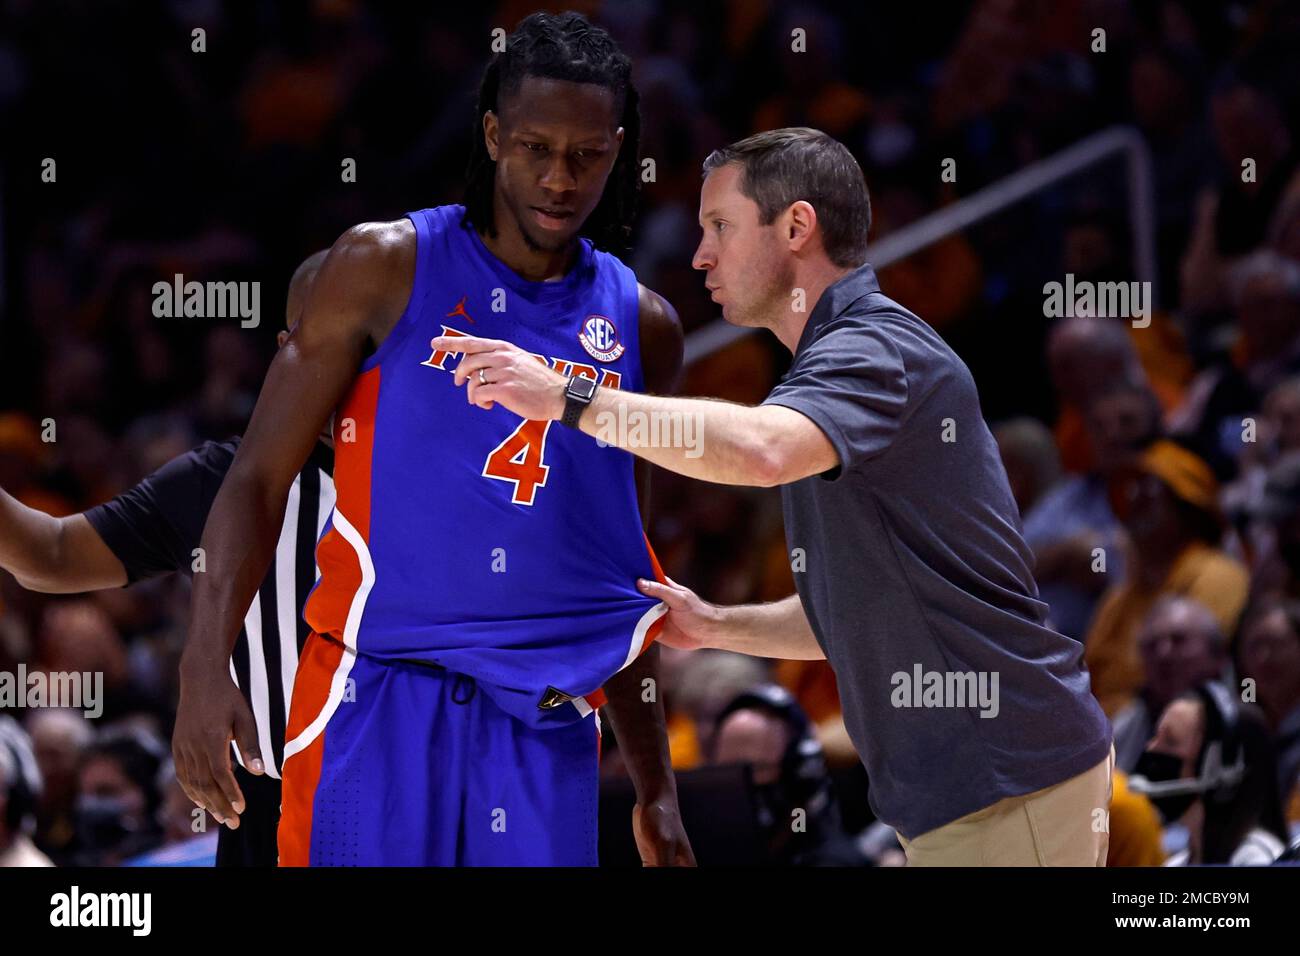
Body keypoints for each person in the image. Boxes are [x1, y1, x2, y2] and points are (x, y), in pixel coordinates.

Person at [436, 126, 1114, 866]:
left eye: (720, 226)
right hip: (982, 789)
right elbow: (856, 606)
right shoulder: (835, 366)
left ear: (796, 227)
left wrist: (566, 395)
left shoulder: (872, 348)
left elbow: (759, 451)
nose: (700, 255)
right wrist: (715, 624)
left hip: (1007, 777)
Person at [177, 11, 692, 867]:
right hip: (373, 695)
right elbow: (258, 480)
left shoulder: (644, 326)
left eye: (587, 154)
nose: (560, 178)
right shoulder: (381, 267)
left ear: (619, 149)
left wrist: (657, 789)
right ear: (493, 135)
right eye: (535, 147)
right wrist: (202, 672)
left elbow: (624, 574)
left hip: (544, 718)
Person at [0, 251, 334, 866]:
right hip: (266, 820)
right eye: (326, 336)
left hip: (404, 806)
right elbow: (49, 552)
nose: (343, 360)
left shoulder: (441, 477)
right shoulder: (218, 479)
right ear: (286, 347)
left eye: (366, 340)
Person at [1130, 680, 1288, 865]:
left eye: (1171, 741)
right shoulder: (1175, 863)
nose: (1151, 749)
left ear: (1221, 767)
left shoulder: (1260, 859)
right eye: (1155, 736)